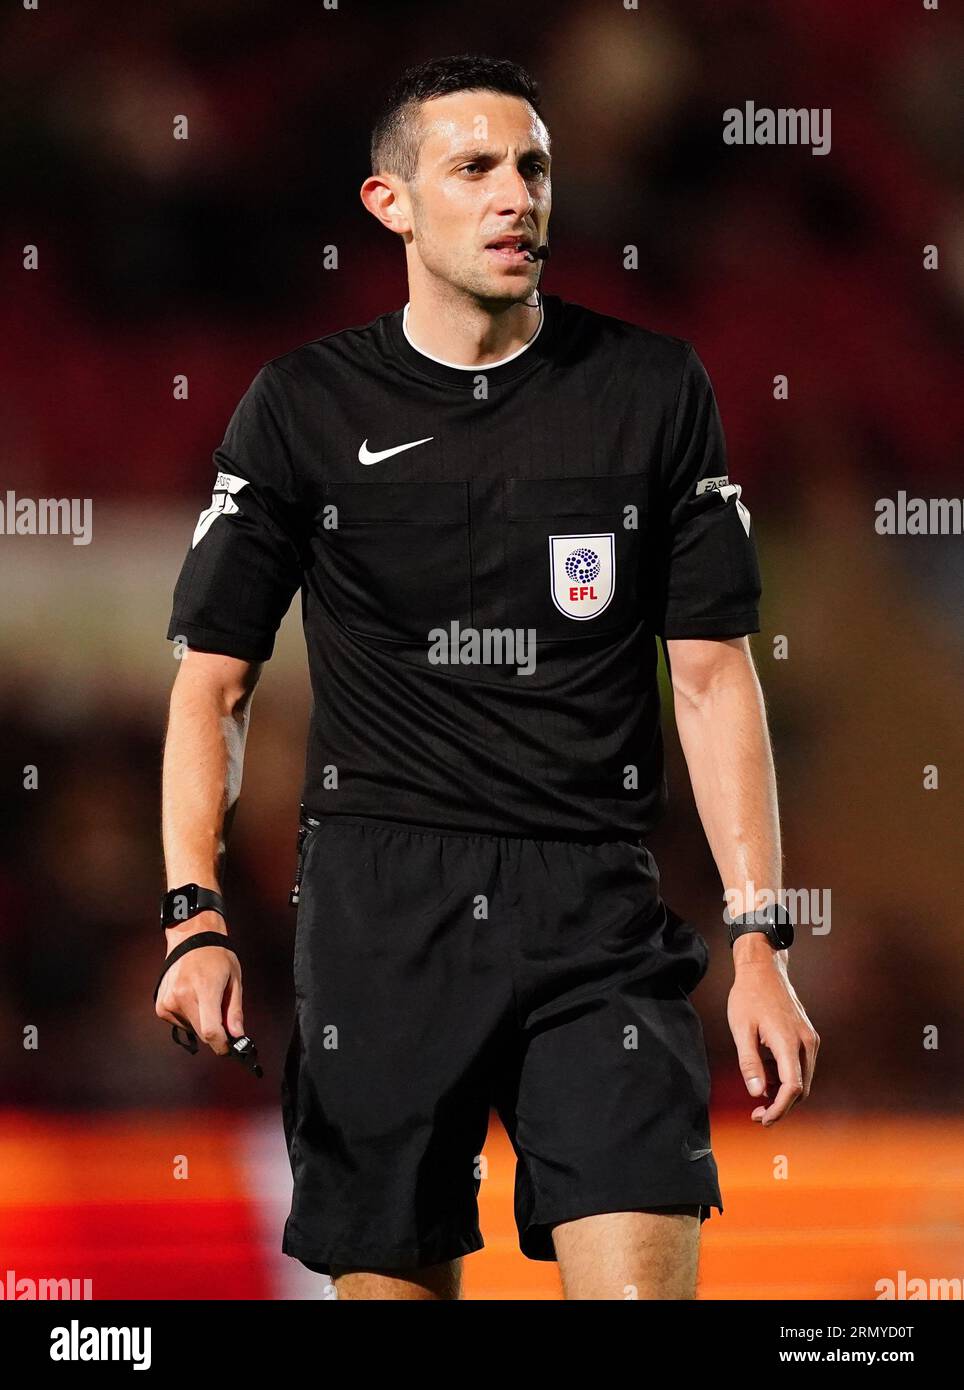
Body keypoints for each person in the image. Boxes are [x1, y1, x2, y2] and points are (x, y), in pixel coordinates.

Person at [157, 54, 818, 1301]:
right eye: (473, 169)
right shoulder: (302, 407)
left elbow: (716, 679)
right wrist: (193, 917)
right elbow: (212, 684)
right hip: (379, 916)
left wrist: (760, 941)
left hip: (598, 915)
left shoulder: (650, 391)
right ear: (389, 202)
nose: (515, 195)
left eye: (532, 167)